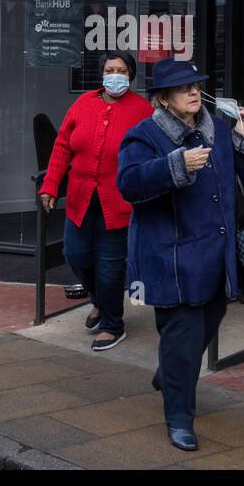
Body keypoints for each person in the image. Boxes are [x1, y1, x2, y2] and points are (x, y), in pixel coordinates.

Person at [117, 56, 244, 451]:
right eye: (184, 88)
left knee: (209, 319)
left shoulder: (215, 127)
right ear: (163, 99)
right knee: (183, 338)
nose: (194, 91)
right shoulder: (144, 136)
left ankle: (169, 373)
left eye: (196, 84)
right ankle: (179, 417)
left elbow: (241, 182)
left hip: (216, 254)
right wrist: (173, 165)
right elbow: (129, 184)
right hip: (172, 259)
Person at [39, 51, 152, 350]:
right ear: (101, 74)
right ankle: (99, 301)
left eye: (122, 70)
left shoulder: (141, 110)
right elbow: (63, 145)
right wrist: (50, 186)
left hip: (117, 203)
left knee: (109, 267)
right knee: (75, 254)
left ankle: (114, 325)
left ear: (130, 76)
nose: (115, 74)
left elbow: (151, 154)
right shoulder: (83, 104)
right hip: (80, 199)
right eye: (110, 69)